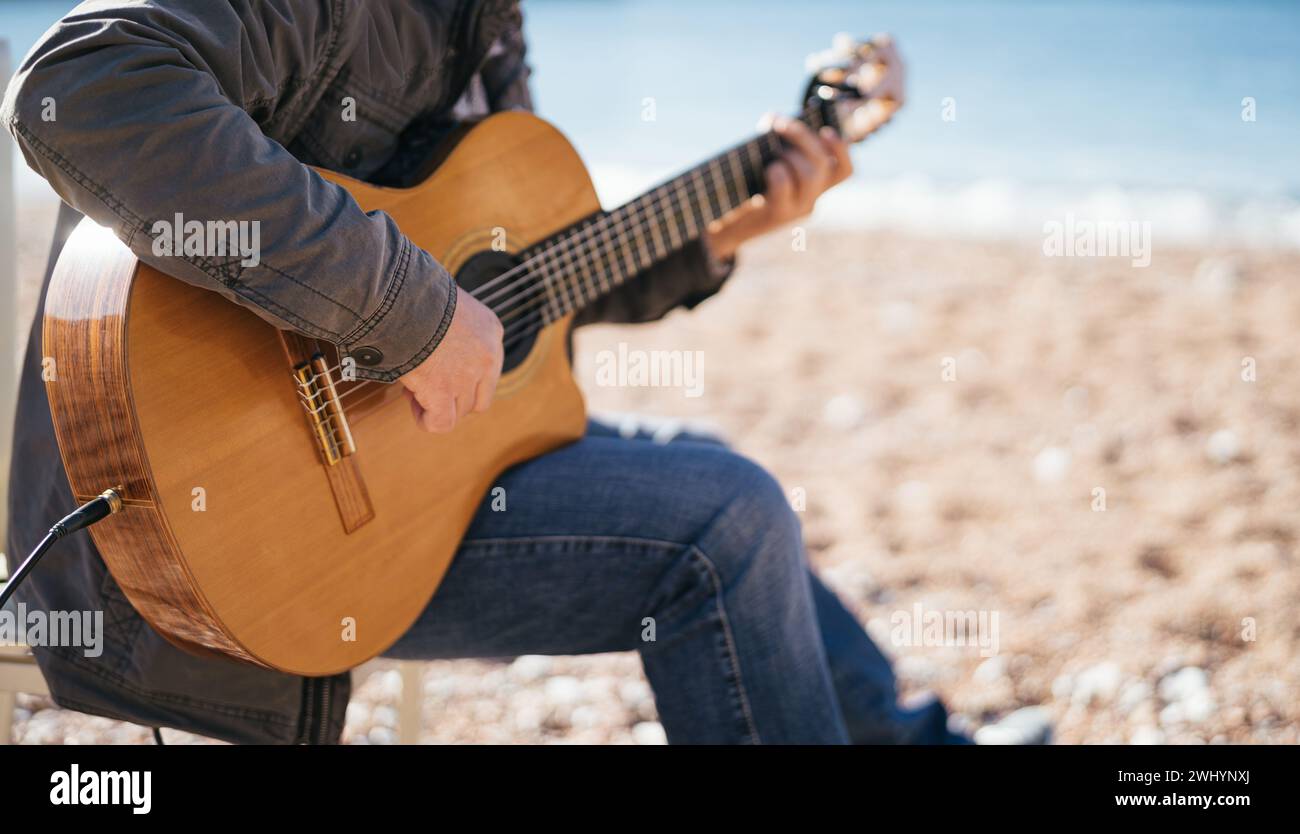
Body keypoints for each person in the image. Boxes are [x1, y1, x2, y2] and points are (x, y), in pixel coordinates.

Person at [3, 0, 967, 744]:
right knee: (728, 516)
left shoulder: (486, 25)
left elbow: (529, 285)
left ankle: (898, 735)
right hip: (217, 541)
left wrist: (728, 227)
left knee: (705, 474)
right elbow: (86, 87)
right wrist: (409, 318)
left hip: (417, 469)